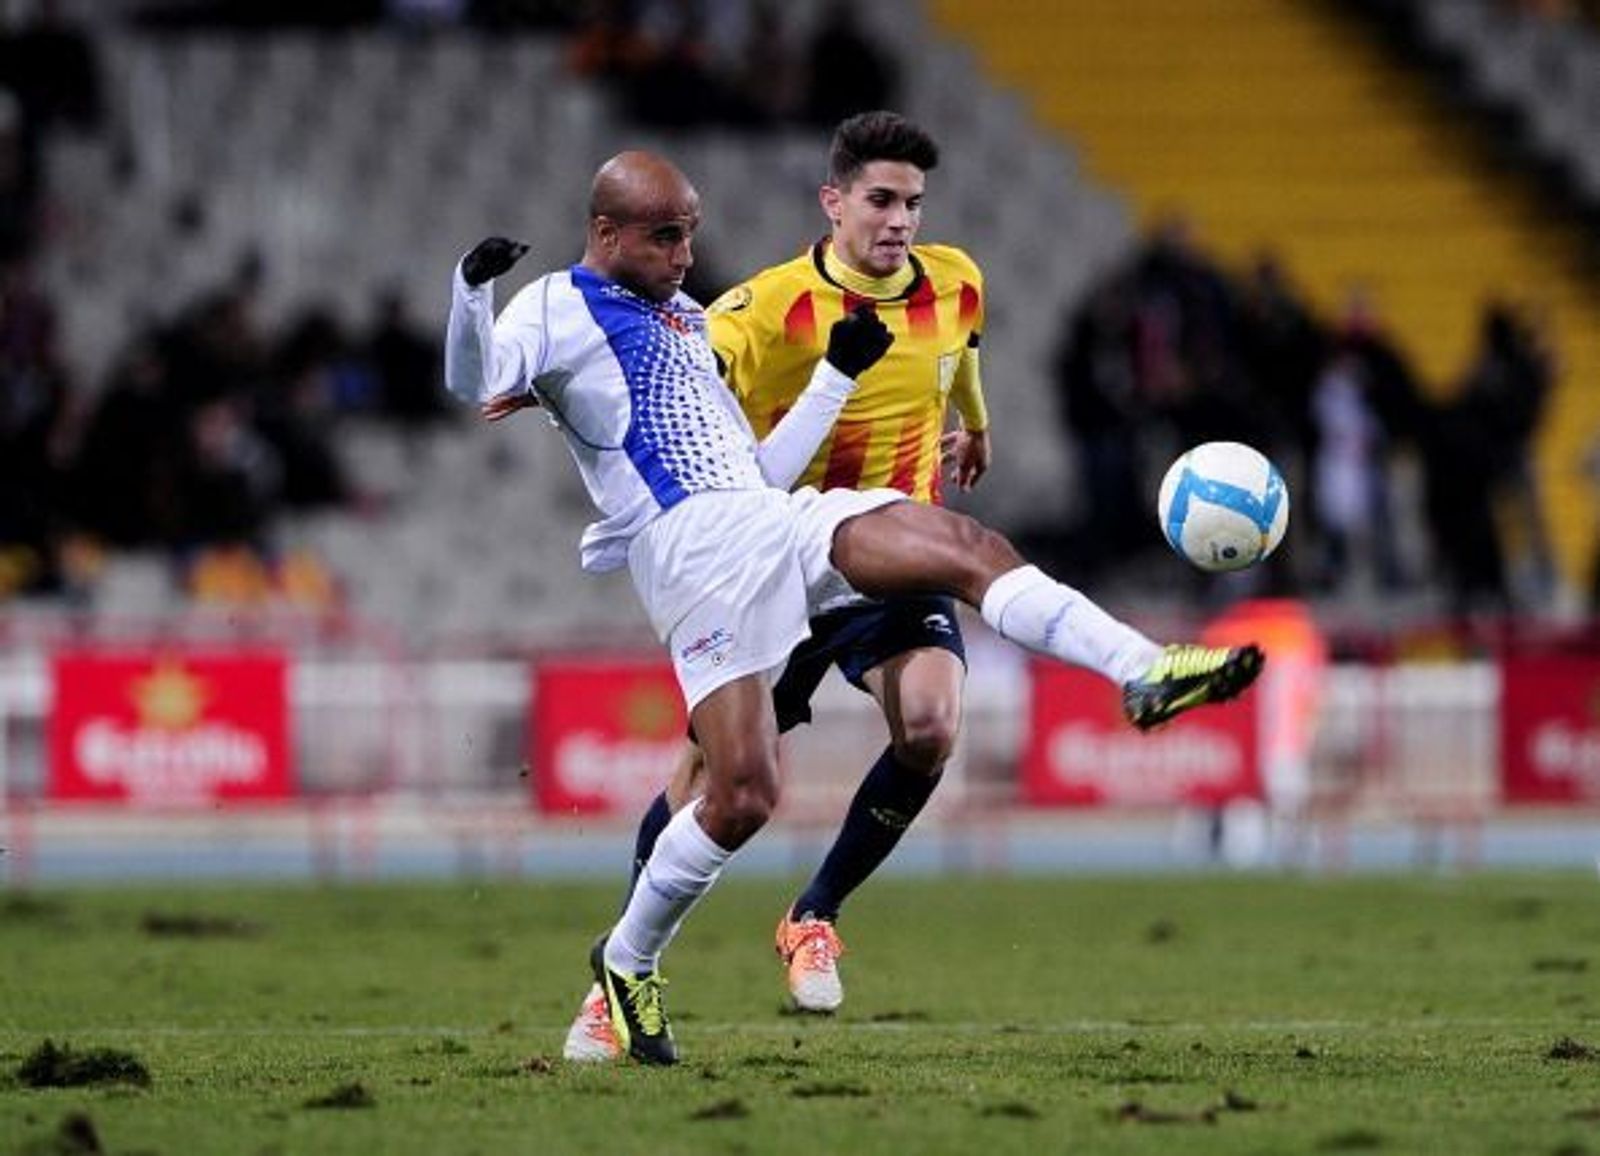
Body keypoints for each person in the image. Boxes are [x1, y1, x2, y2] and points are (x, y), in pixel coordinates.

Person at [445, 150, 1263, 1066]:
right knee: (743, 795)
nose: (685, 255)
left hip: (772, 518)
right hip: (694, 556)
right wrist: (471, 289)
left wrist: (835, 378)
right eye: (665, 237)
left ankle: (1144, 669)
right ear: (606, 232)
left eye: (691, 234)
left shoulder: (678, 316)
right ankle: (626, 965)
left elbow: (753, 472)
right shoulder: (554, 306)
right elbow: (473, 382)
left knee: (967, 549)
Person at [553, 111, 994, 1062]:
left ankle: (814, 914)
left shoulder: (957, 281)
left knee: (930, 722)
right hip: (772, 560)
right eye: (880, 200)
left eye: (913, 203)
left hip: (889, 553)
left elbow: (961, 355)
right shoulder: (762, 306)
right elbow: (673, 375)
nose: (900, 220)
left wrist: (975, 424)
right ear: (833, 202)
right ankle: (621, 981)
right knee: (711, 783)